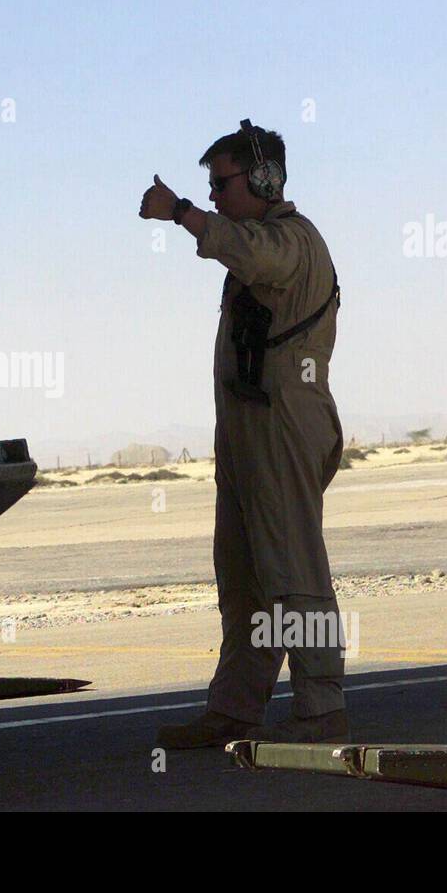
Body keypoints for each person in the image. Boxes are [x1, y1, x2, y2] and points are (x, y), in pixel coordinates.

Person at [138, 121, 349, 747]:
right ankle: (235, 708)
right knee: (244, 579)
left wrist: (182, 213)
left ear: (263, 179)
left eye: (222, 182)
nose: (216, 194)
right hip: (248, 432)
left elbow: (249, 251)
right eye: (210, 186)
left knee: (295, 574)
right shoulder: (264, 242)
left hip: (284, 428)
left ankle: (321, 709)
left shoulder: (291, 242)